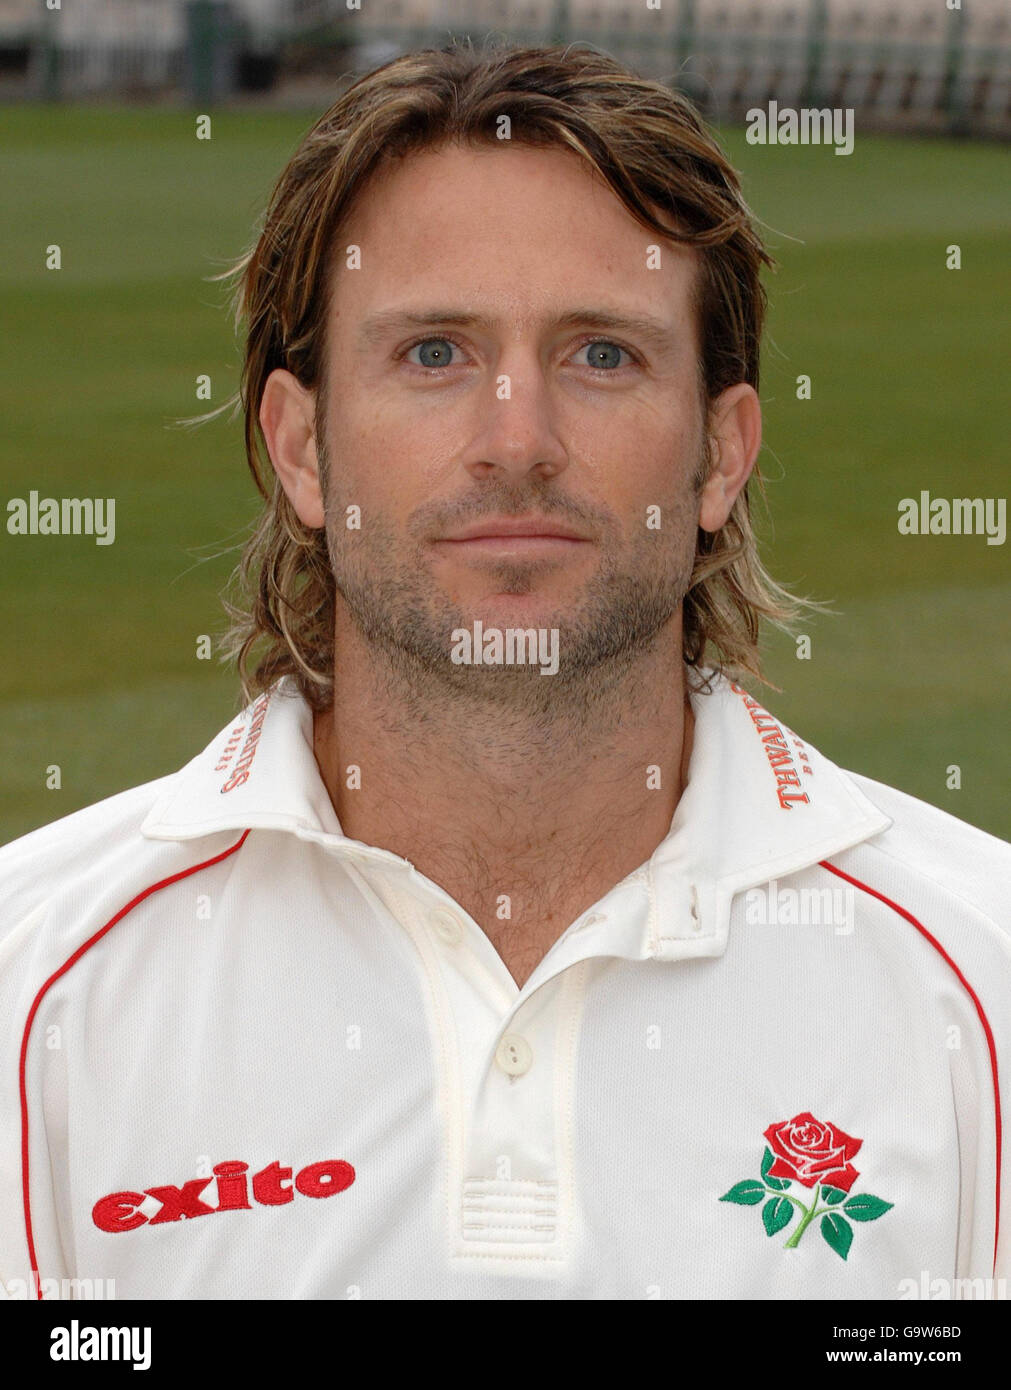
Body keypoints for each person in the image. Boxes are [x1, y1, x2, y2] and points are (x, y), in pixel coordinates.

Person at [1, 41, 1007, 1302]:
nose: (517, 441)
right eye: (434, 355)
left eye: (603, 356)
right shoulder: (33, 988)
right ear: (303, 449)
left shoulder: (982, 976)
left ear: (719, 454)